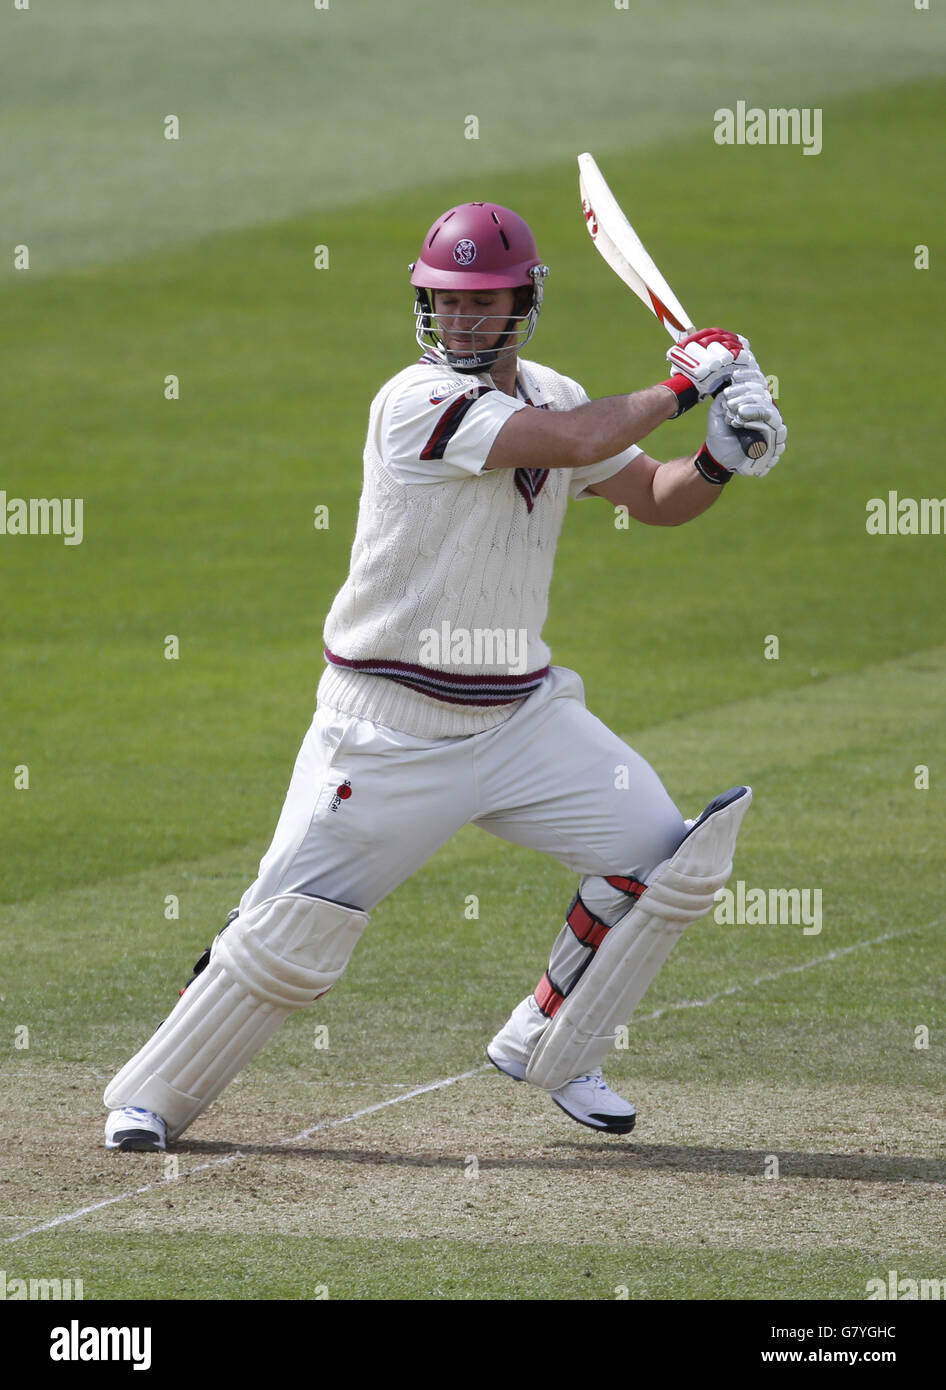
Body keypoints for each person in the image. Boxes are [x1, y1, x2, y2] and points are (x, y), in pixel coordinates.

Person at [103, 202, 786, 1151]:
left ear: (523, 302)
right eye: (444, 301)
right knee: (284, 934)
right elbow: (579, 442)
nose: (460, 321)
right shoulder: (414, 402)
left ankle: (556, 1041)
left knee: (665, 856)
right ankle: (155, 1096)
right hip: (385, 732)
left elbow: (652, 497)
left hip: (522, 722)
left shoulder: (556, 392)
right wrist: (684, 384)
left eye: (482, 303)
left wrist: (717, 455)